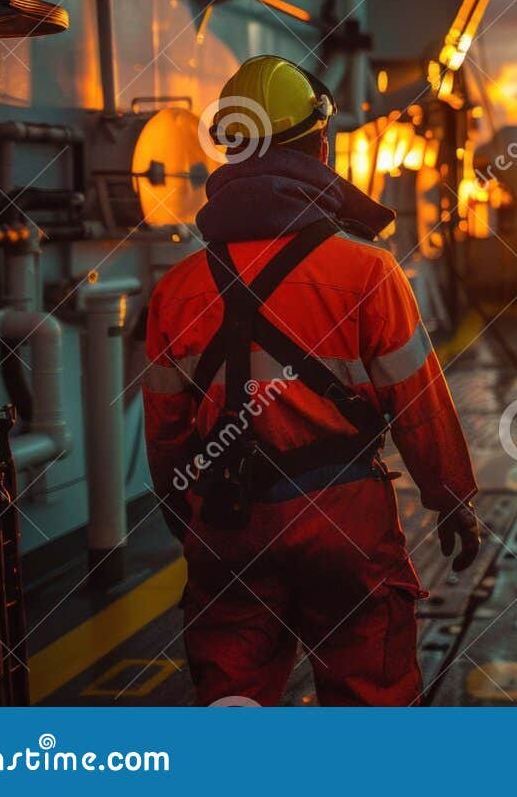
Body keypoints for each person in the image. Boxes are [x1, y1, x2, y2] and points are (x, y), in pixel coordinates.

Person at [142, 55, 481, 706]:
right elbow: (421, 409)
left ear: (232, 153)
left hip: (228, 520)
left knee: (233, 706)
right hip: (346, 523)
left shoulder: (175, 290)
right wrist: (452, 497)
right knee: (369, 702)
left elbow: (166, 437)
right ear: (320, 146)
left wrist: (190, 519)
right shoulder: (369, 273)